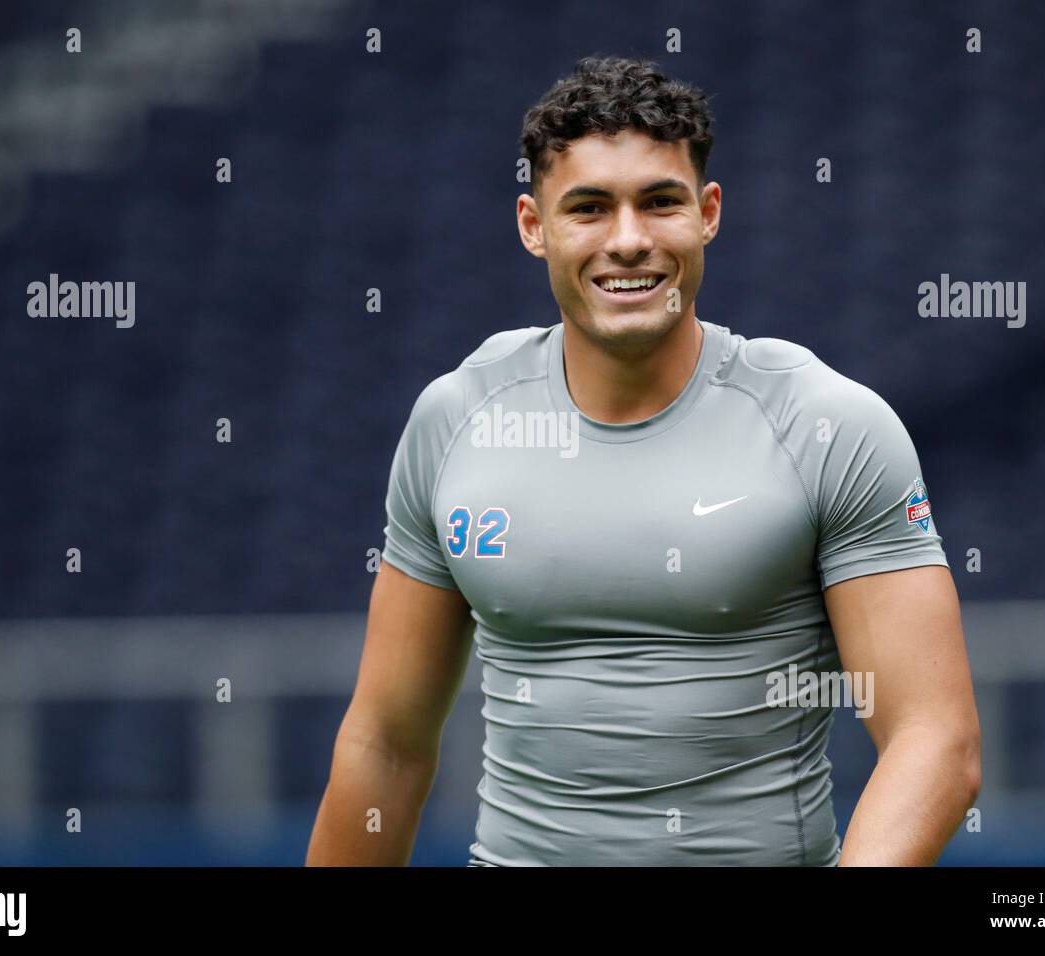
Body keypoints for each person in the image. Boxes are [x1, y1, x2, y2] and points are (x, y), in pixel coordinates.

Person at [306, 54, 980, 867]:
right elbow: (385, 742)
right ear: (533, 225)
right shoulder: (455, 419)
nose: (628, 241)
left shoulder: (828, 423)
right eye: (588, 208)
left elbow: (935, 739)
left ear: (708, 213)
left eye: (659, 203)